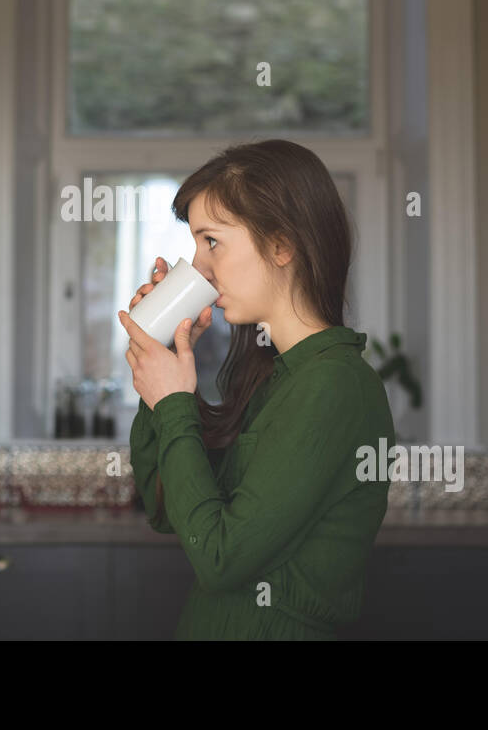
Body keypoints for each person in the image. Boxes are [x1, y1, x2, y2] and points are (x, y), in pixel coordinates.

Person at [119, 139, 395, 640]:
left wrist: (175, 401)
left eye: (213, 241)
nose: (199, 266)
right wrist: (157, 368)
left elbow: (219, 558)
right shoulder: (276, 377)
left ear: (281, 244)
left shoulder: (334, 385)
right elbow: (165, 509)